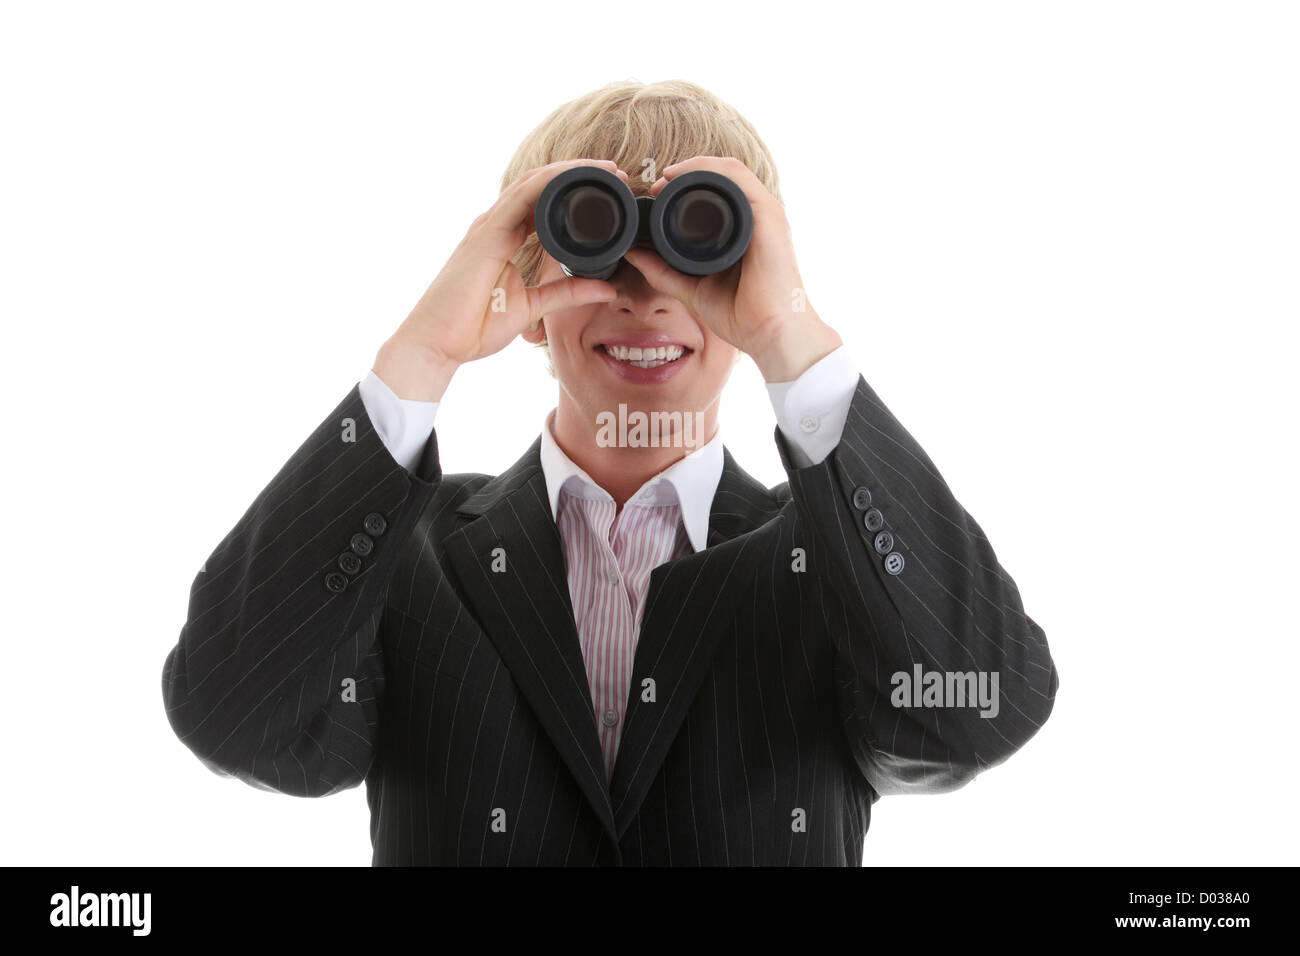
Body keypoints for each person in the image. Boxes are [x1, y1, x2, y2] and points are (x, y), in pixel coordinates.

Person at [161, 79, 1058, 866]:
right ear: (522, 275)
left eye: (700, 237)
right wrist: (418, 360)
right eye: (594, 235)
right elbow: (233, 713)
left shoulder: (829, 561)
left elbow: (977, 711)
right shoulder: (410, 553)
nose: (648, 290)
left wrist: (795, 342)